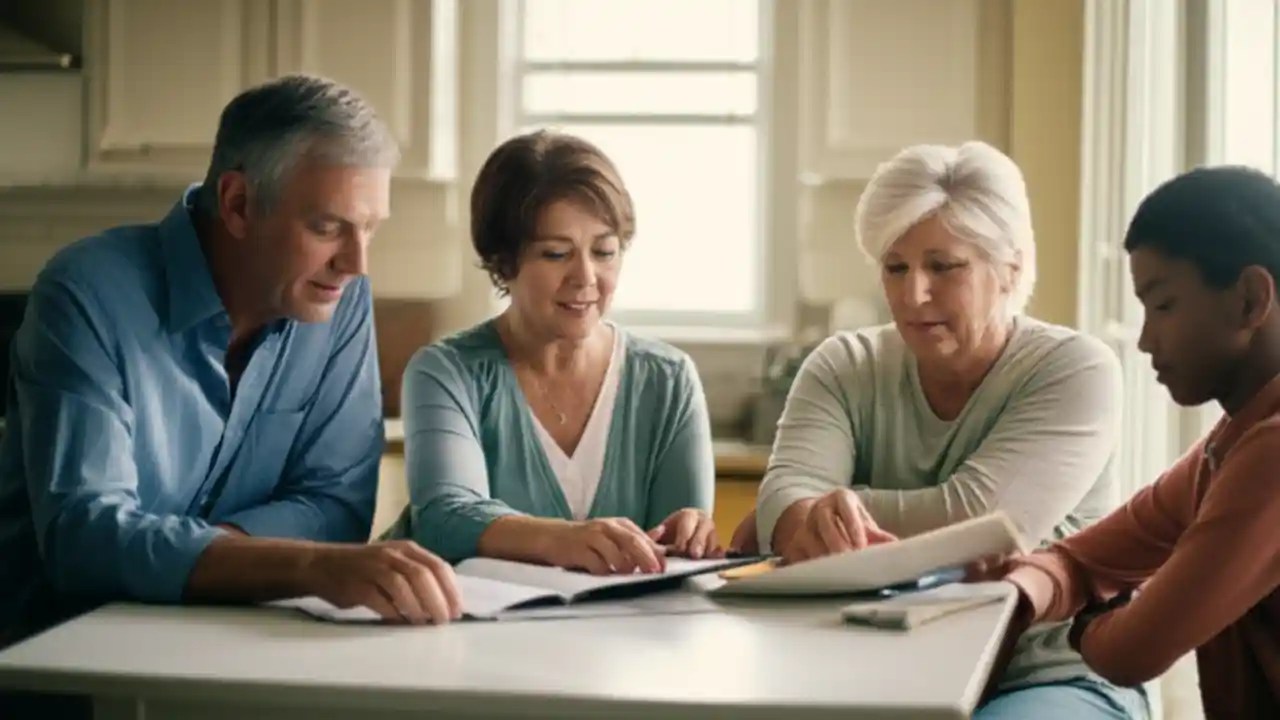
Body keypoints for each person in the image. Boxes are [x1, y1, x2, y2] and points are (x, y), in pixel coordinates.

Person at [0, 74, 462, 651]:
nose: (357, 263)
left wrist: (196, 555)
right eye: (327, 227)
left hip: (233, 639)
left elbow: (337, 507)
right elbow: (86, 541)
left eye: (369, 228)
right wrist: (302, 565)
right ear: (238, 204)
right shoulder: (87, 295)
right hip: (57, 657)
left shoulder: (339, 302)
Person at [729, 141, 1147, 718]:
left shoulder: (1077, 369)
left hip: (1045, 676)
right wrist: (789, 513)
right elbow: (783, 505)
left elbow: (978, 519)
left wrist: (823, 513)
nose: (912, 293)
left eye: (942, 267)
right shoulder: (840, 364)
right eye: (895, 267)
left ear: (1010, 268)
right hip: (868, 669)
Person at [985, 166, 1280, 718]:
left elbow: (1131, 652)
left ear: (1248, 300)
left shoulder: (1271, 454)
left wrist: (1089, 625)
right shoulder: (1228, 447)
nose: (1145, 340)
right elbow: (1082, 559)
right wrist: (1025, 587)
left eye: (1163, 305)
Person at [384, 130, 718, 574]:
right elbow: (445, 520)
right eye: (557, 254)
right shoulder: (447, 371)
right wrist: (564, 539)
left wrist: (693, 531)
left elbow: (674, 554)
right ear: (504, 262)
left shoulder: (668, 379)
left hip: (615, 637)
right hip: (464, 634)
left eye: (604, 251)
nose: (586, 277)